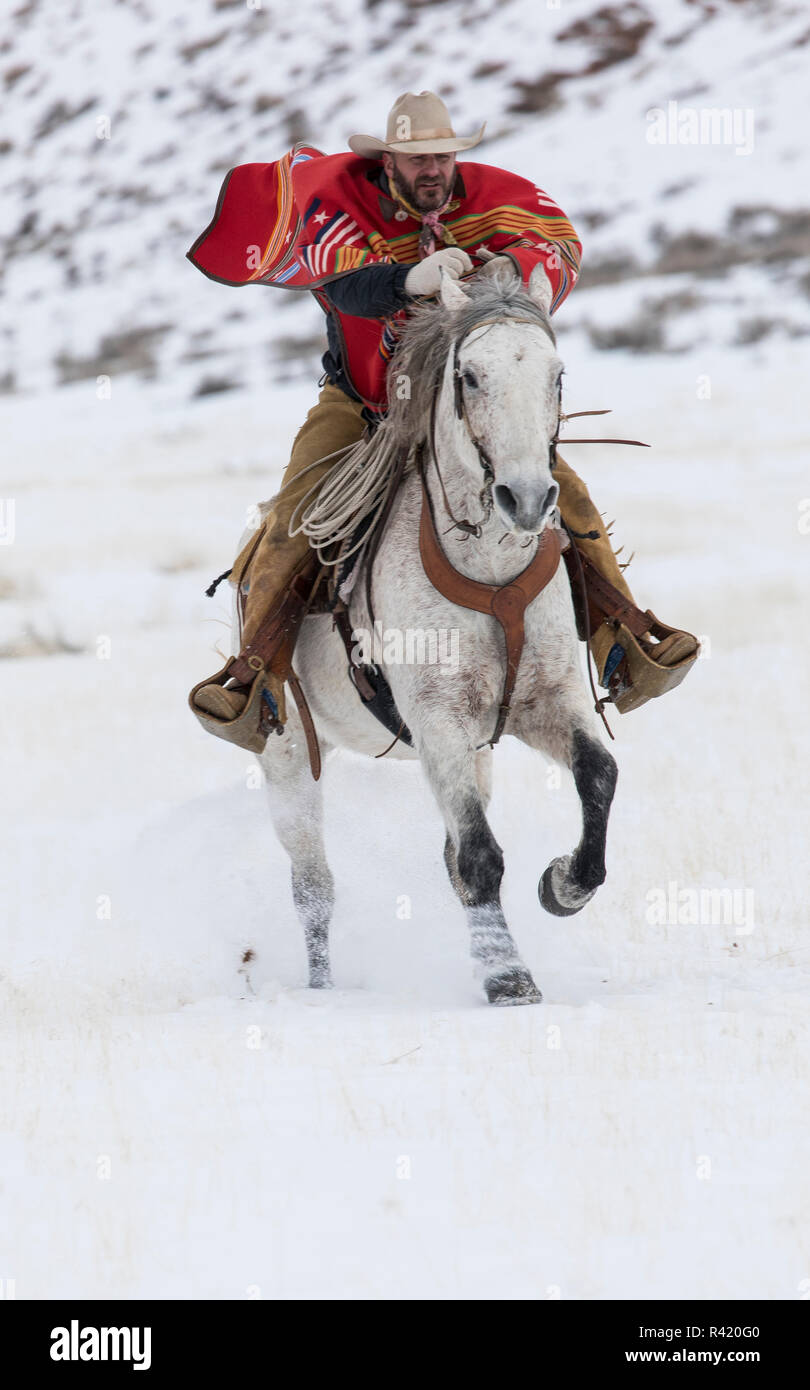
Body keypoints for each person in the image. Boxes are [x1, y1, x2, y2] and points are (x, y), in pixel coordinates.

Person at [187, 91, 697, 749]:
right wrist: (408, 279)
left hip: (458, 405)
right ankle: (254, 681)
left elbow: (559, 244)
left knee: (562, 493)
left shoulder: (492, 198)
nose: (432, 169)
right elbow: (341, 285)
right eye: (416, 159)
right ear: (388, 161)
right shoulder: (339, 209)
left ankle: (624, 641)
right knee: (291, 519)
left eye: (442, 156)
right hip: (362, 403)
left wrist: (518, 264)